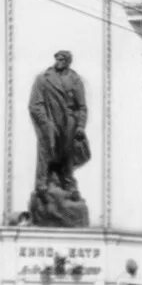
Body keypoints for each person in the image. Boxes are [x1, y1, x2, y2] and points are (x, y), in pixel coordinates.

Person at [28, 49, 90, 200]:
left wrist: (81, 125)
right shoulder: (43, 79)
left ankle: (68, 183)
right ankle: (41, 183)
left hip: (69, 120)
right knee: (45, 150)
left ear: (68, 62)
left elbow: (82, 106)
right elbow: (35, 105)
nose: (58, 62)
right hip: (50, 118)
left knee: (68, 151)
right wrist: (46, 122)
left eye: (62, 59)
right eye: (57, 59)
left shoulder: (75, 80)